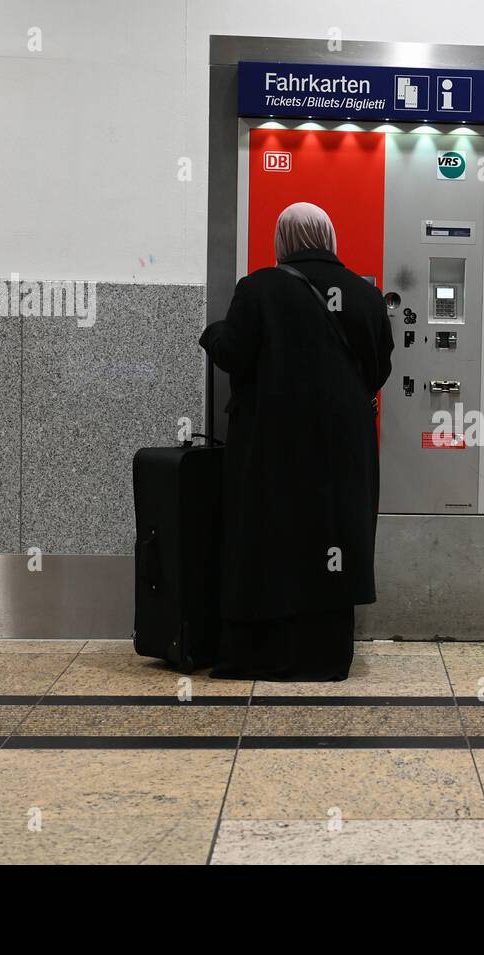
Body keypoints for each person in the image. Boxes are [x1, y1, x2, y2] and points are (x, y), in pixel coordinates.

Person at [199, 202, 393, 680]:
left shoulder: (259, 287)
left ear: (282, 241)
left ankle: (260, 654)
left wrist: (213, 331)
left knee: (270, 537)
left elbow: (233, 353)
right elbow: (380, 367)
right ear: (329, 237)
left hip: (273, 446)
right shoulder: (364, 295)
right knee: (331, 538)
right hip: (343, 448)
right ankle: (325, 657)